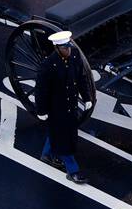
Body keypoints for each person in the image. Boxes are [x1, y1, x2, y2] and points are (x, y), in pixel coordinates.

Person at [35, 31, 91, 183]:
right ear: (57, 48)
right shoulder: (47, 65)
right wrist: (41, 110)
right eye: (65, 48)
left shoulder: (74, 56)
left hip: (71, 105)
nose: (69, 50)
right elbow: (41, 90)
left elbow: (81, 78)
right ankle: (73, 171)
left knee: (60, 133)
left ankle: (46, 154)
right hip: (56, 108)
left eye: (69, 47)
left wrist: (87, 98)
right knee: (64, 139)